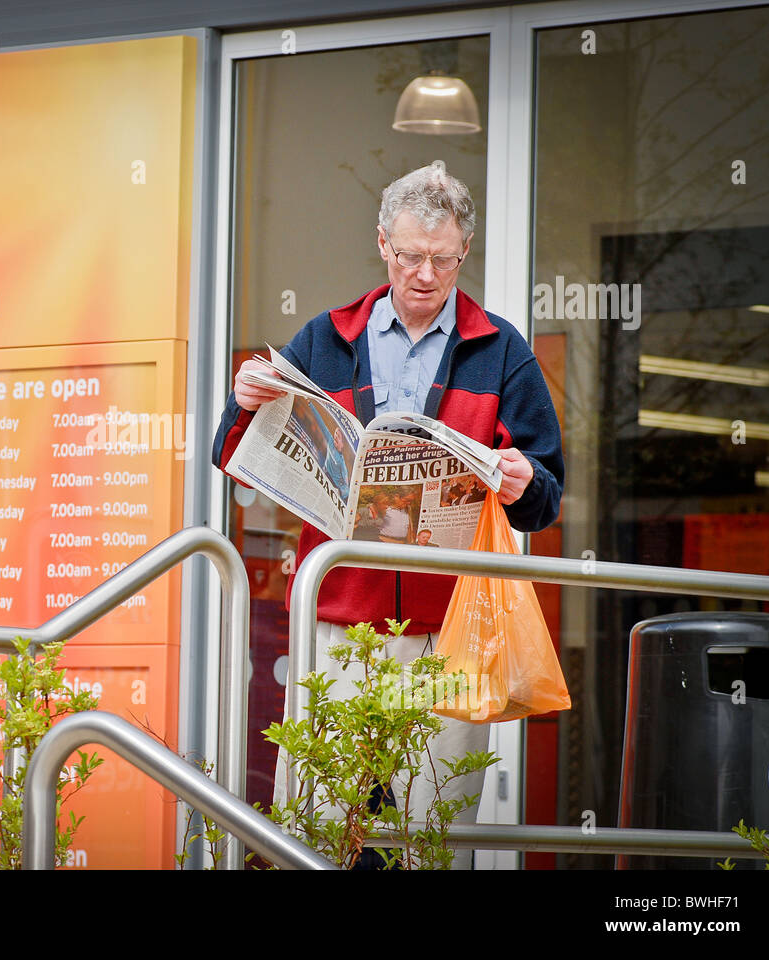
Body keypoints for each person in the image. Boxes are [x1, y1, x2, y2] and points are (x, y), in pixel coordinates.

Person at [211, 161, 564, 868]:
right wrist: (245, 400)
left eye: (442, 259)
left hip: (448, 634)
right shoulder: (325, 337)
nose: (425, 274)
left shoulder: (503, 353)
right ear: (382, 244)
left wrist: (523, 480)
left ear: (463, 253)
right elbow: (230, 454)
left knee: (429, 834)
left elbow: (545, 497)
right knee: (319, 820)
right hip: (340, 623)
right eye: (410, 256)